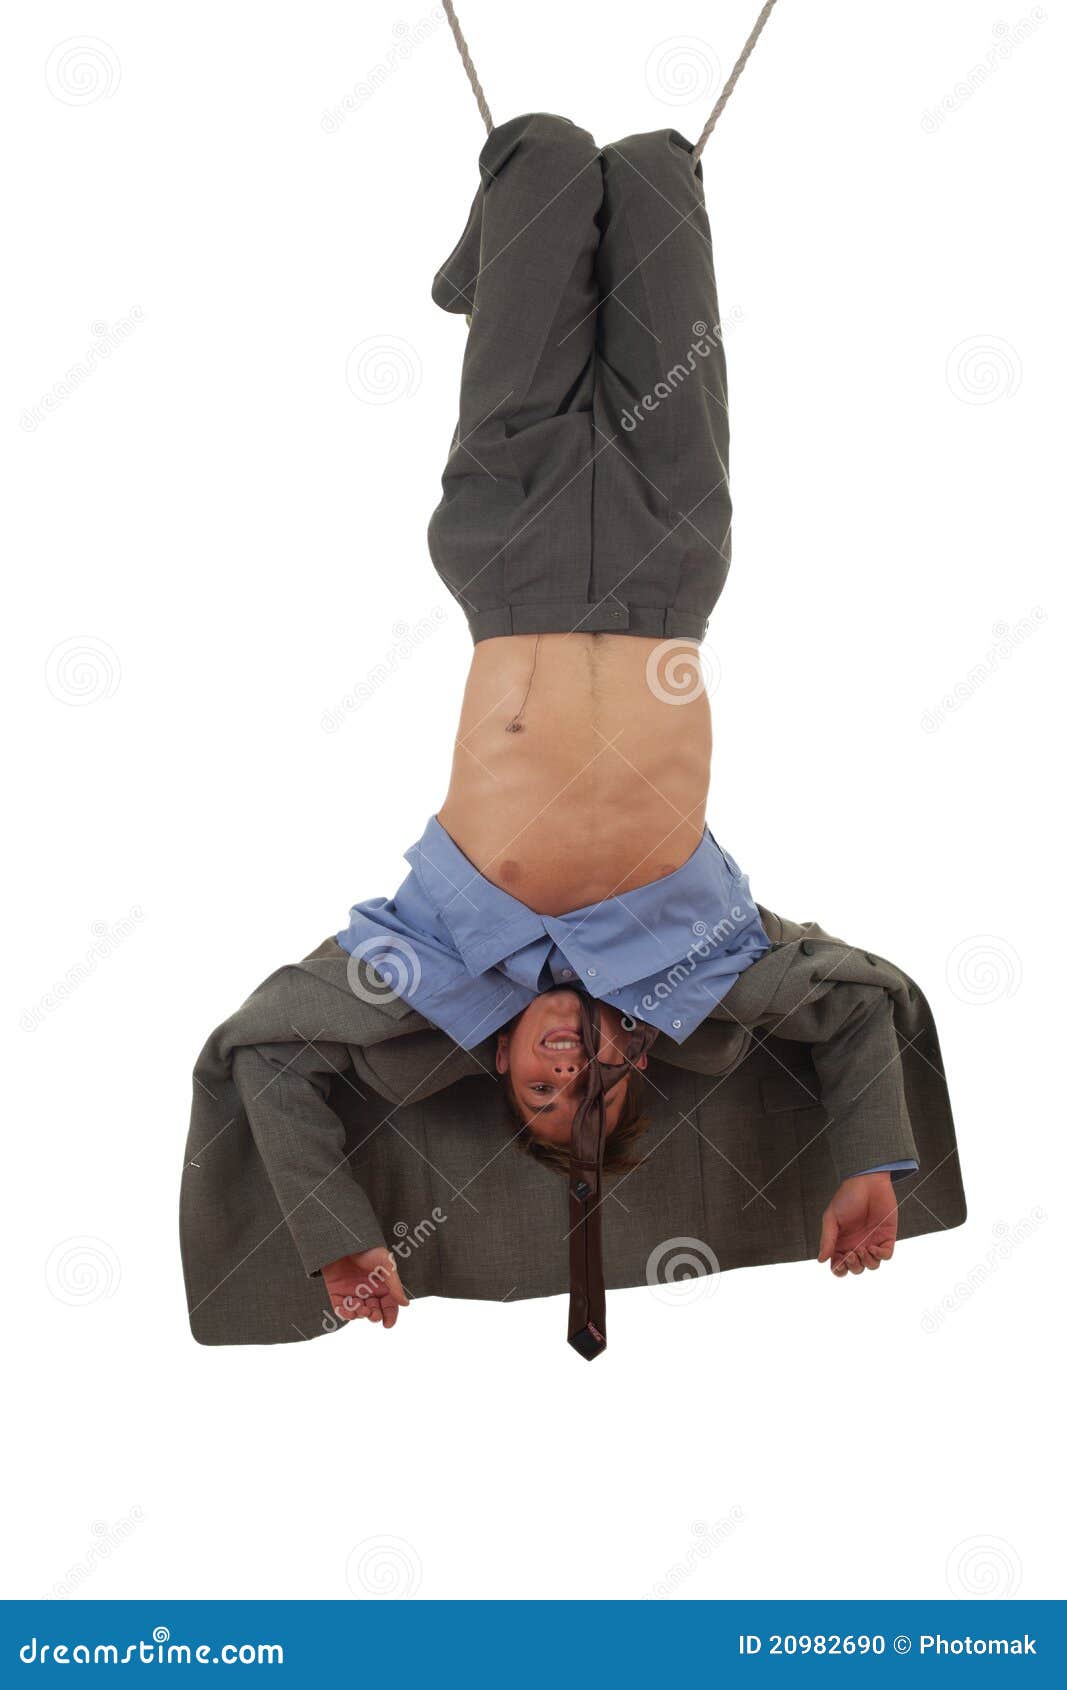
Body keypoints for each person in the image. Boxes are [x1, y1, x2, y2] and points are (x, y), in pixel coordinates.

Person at [180, 115, 965, 1354]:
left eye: (543, 1094)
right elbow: (852, 1004)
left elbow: (272, 1051)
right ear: (640, 1056)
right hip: (670, 565)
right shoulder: (701, 961)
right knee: (655, 171)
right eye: (593, 1085)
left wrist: (339, 1234)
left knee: (543, 156)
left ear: (497, 1068)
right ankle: (510, 254)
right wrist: (864, 1160)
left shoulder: (431, 963)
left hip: (513, 560)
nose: (566, 1068)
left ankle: (504, 251)